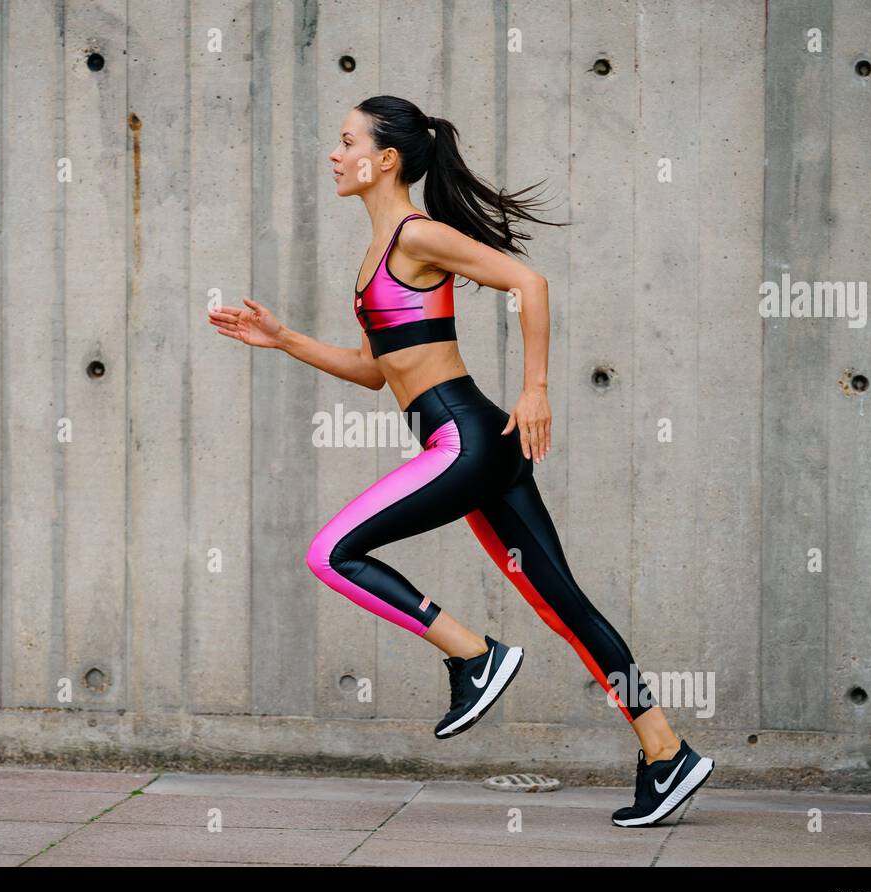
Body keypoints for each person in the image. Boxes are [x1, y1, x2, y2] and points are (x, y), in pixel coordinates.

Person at [207, 95, 712, 826]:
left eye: (345, 141)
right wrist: (283, 338)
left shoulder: (417, 235)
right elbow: (376, 370)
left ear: (385, 160)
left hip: (465, 438)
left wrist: (535, 390)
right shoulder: (380, 254)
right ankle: (668, 754)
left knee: (331, 552)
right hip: (475, 444)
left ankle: (473, 655)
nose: (333, 154)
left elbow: (528, 283)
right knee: (566, 607)